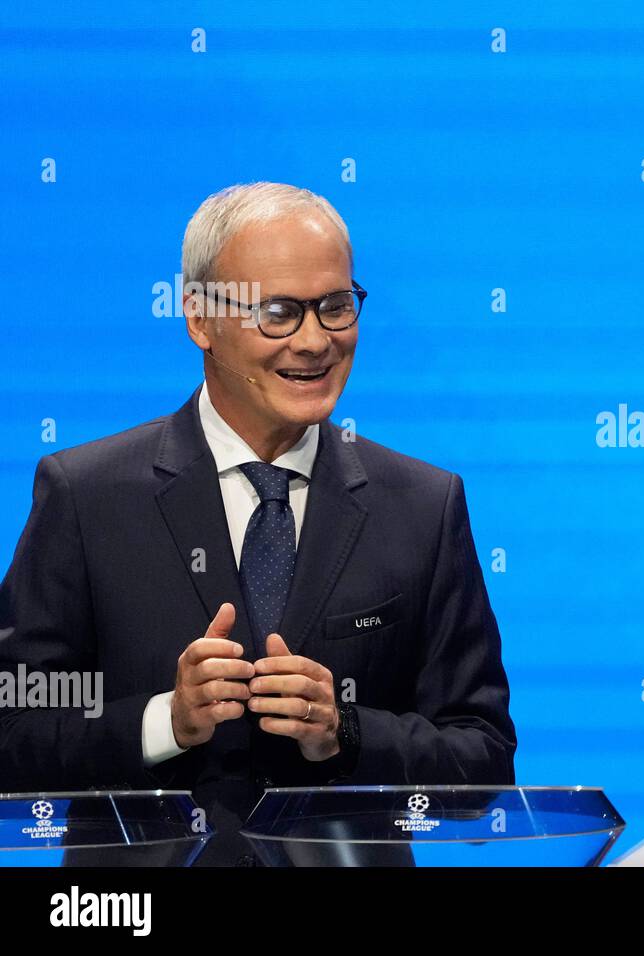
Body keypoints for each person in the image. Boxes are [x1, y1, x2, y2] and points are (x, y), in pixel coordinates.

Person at [0, 182, 516, 865]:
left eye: (335, 307)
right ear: (199, 316)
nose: (315, 341)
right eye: (279, 312)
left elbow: (484, 765)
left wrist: (346, 733)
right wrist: (165, 722)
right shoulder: (88, 497)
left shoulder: (422, 505)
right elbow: (12, 735)